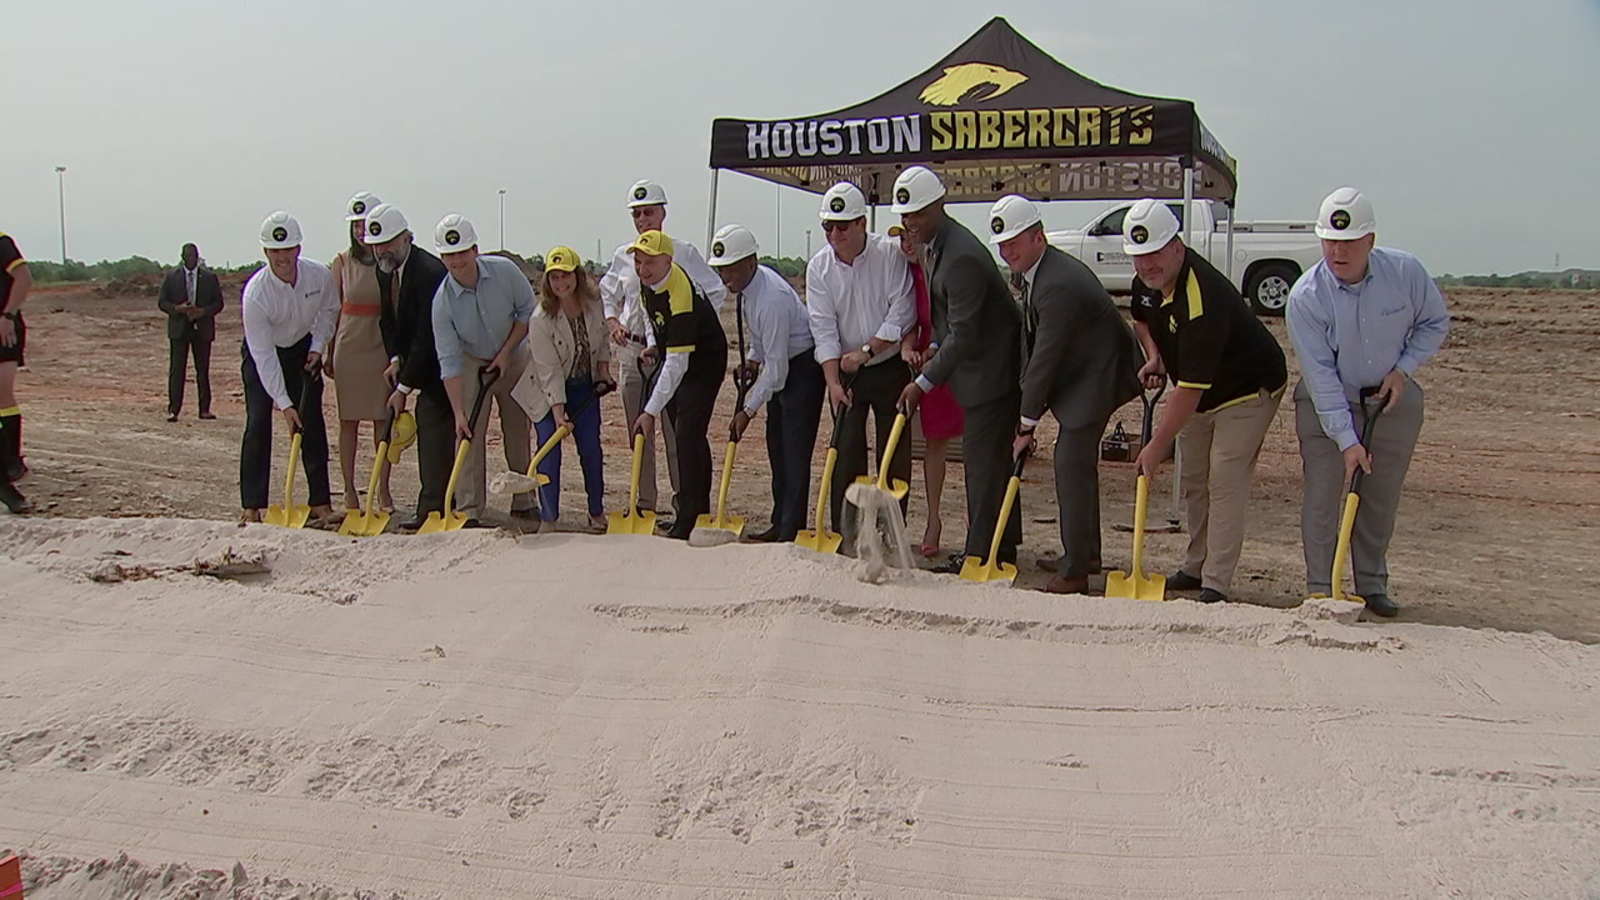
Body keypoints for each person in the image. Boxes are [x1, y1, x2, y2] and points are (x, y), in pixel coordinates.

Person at [1287, 187, 1450, 619]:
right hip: (1327, 402)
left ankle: (1372, 584)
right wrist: (1346, 440)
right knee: (1323, 494)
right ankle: (1321, 589)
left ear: (1371, 240)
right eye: (1330, 241)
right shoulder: (1305, 297)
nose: (1338, 252)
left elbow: (1435, 322)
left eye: (1349, 242)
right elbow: (1320, 377)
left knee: (1379, 495)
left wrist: (1404, 369)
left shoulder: (1406, 273)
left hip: (1390, 400)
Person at [1124, 198, 1288, 604]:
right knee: (1194, 476)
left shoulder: (1202, 296)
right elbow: (1142, 319)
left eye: (1156, 253)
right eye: (1139, 257)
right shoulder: (1145, 283)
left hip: (1248, 388)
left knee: (1224, 475)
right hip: (1197, 389)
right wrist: (1156, 355)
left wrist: (1155, 447)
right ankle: (1195, 564)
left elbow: (1190, 391)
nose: (1147, 265)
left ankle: (1216, 580)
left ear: (1177, 246)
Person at [990, 195, 1142, 594]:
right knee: (1076, 465)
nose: (1008, 252)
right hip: (1086, 372)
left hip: (1099, 376)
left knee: (1070, 463)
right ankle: (1085, 554)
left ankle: (1076, 572)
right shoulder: (1042, 271)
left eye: (1014, 243)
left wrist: (1025, 424)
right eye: (1003, 246)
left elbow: (1045, 358)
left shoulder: (1056, 283)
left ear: (1038, 237)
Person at [892, 166, 1024, 575]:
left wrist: (922, 383)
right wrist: (932, 346)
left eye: (917, 214)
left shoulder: (962, 255)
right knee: (990, 462)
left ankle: (980, 554)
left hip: (992, 371)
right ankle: (1003, 546)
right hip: (978, 365)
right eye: (905, 216)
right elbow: (948, 317)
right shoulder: (936, 245)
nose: (910, 223)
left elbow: (965, 335)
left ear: (939, 205)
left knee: (982, 461)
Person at [599, 179, 725, 529]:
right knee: (638, 430)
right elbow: (610, 293)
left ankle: (684, 503)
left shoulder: (682, 254)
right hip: (636, 348)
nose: (643, 219)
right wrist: (614, 322)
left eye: (649, 212)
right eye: (637, 214)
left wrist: (687, 328)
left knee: (677, 431)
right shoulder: (627, 257)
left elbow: (714, 290)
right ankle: (643, 504)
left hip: (679, 352)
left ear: (663, 213)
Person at [806, 182, 917, 552]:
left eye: (841, 226)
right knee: (846, 449)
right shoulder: (818, 268)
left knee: (893, 452)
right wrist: (833, 382)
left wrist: (868, 351)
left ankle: (889, 532)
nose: (834, 234)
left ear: (860, 224)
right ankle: (846, 533)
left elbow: (902, 312)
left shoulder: (889, 256)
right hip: (846, 372)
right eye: (827, 227)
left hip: (885, 365)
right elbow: (822, 328)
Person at [708, 223, 823, 543]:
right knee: (777, 448)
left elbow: (778, 373)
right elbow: (761, 342)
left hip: (801, 370)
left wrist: (747, 410)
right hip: (781, 365)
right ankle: (779, 521)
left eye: (730, 269)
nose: (724, 277)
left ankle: (791, 531)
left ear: (750, 263)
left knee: (795, 452)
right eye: (720, 270)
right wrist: (751, 359)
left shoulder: (770, 298)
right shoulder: (747, 292)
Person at [432, 214, 536, 525]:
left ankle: (524, 499)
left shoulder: (505, 272)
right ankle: (469, 507)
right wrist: (459, 413)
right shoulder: (442, 303)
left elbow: (528, 310)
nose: (457, 261)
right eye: (449, 255)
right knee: (469, 431)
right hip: (471, 360)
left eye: (462, 253)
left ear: (475, 250)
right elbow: (449, 362)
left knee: (518, 428)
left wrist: (505, 354)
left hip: (514, 352)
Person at [239, 212, 339, 524]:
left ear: (298, 248)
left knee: (311, 423)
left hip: (302, 349)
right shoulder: (256, 295)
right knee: (258, 423)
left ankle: (320, 502)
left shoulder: (318, 276)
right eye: (275, 251)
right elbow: (264, 357)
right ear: (266, 252)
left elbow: (330, 310)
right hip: (264, 356)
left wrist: (316, 348)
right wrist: (284, 404)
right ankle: (252, 506)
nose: (283, 258)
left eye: (289, 249)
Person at [631, 230, 728, 541]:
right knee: (682, 430)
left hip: (704, 361)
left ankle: (689, 516)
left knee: (687, 431)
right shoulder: (647, 284)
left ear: (668, 262)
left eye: (650, 262)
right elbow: (650, 315)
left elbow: (678, 366)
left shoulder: (680, 292)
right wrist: (653, 345)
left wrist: (648, 411)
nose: (643, 269)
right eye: (639, 261)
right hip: (679, 354)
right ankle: (696, 508)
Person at [369, 203, 451, 531]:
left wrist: (404, 387)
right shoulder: (384, 269)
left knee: (433, 428)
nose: (382, 251)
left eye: (388, 243)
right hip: (412, 359)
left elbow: (427, 334)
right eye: (377, 245)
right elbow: (388, 321)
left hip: (443, 363)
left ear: (406, 238)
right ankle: (439, 501)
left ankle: (435, 508)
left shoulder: (429, 272)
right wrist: (394, 359)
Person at [518, 245, 612, 532]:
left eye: (566, 276)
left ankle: (596, 511)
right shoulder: (541, 319)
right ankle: (549, 517)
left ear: (577, 276)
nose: (561, 283)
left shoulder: (594, 303)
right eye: (554, 277)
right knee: (548, 448)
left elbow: (602, 338)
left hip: (584, 386)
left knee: (591, 449)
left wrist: (603, 371)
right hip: (547, 393)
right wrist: (558, 412)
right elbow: (549, 372)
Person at [889, 223, 965, 558]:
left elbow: (949, 320)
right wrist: (909, 348)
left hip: (951, 357)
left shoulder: (943, 267)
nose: (905, 243)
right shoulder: (905, 274)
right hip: (922, 361)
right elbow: (908, 320)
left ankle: (971, 515)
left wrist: (934, 348)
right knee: (931, 442)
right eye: (900, 237)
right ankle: (933, 520)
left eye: (910, 236)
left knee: (960, 439)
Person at [327, 192, 394, 514]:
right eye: (355, 225)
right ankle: (350, 492)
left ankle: (383, 490)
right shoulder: (340, 263)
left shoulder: (390, 262)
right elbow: (330, 311)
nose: (359, 231)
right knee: (349, 421)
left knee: (383, 421)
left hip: (381, 344)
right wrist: (327, 352)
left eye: (365, 224)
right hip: (349, 345)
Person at [157, 242, 224, 422]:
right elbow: (162, 302)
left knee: (203, 370)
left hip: (201, 328)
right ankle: (174, 410)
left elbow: (219, 303)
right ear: (182, 257)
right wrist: (178, 309)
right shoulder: (172, 277)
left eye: (194, 256)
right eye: (188, 256)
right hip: (179, 328)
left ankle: (204, 409)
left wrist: (202, 312)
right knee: (177, 370)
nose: (191, 259)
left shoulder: (210, 278)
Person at [0, 229, 33, 513]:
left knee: (3, 395)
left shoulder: (2, 242)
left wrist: (8, 315)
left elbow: (24, 278)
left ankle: (10, 462)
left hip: (3, 329)